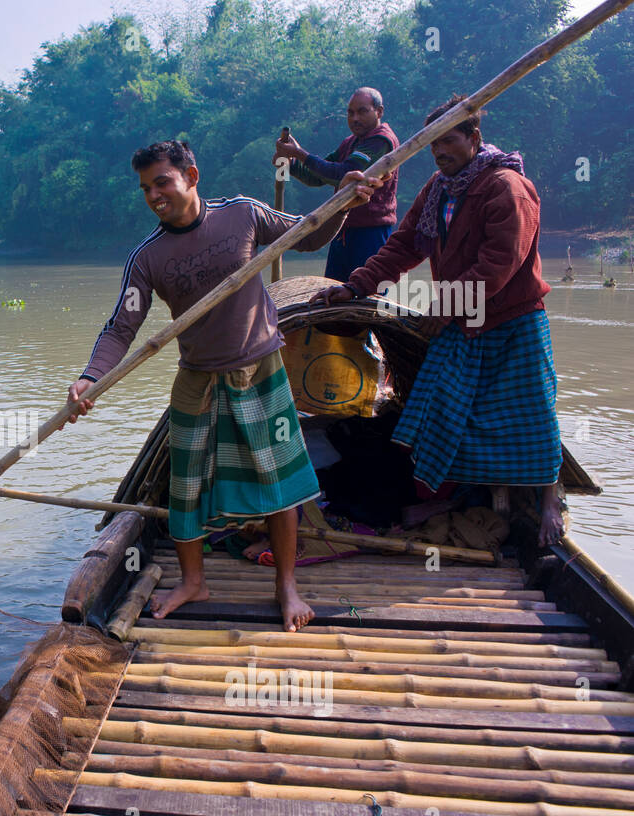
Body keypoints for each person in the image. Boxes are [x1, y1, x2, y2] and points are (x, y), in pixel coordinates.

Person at [64, 140, 380, 631]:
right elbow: (122, 326)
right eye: (145, 188)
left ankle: (287, 587)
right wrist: (89, 378)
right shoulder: (148, 257)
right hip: (198, 378)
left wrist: (344, 202)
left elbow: (309, 235)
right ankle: (194, 581)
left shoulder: (243, 215)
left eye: (162, 182)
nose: (153, 195)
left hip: (262, 369)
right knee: (185, 489)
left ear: (191, 175)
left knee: (280, 483)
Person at [311, 96, 565, 546]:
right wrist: (357, 285)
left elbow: (500, 262)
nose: (440, 152)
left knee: (533, 416)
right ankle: (477, 495)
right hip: (465, 322)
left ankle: (549, 500)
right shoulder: (439, 189)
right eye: (433, 145)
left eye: (449, 141)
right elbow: (404, 245)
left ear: (474, 138)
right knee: (444, 413)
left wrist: (445, 306)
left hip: (513, 319)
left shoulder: (506, 187)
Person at [275, 87, 400, 281]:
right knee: (333, 293)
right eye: (350, 113)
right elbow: (316, 177)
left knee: (365, 294)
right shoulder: (350, 142)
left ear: (379, 112)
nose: (355, 118)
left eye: (362, 111)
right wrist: (288, 163)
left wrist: (299, 153)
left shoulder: (381, 140)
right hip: (342, 228)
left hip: (370, 231)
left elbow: (344, 175)